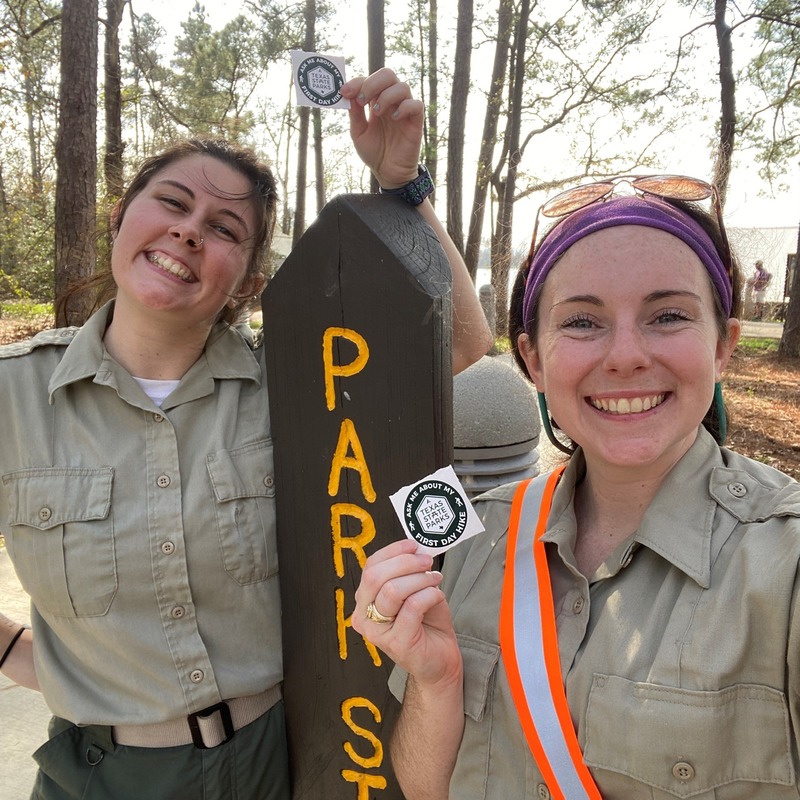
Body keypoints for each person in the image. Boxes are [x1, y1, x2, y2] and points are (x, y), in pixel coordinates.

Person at [0, 68, 491, 800]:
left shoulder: (293, 383)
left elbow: (458, 342)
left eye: (224, 229)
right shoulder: (13, 393)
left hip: (275, 763)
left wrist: (403, 187)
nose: (189, 230)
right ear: (119, 217)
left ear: (250, 279)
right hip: (97, 777)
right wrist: (37, 660)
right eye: (171, 202)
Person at [353, 175, 800, 799]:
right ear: (533, 360)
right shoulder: (473, 537)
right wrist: (436, 682)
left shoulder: (786, 567)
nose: (624, 356)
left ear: (723, 346)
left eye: (667, 315)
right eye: (583, 322)